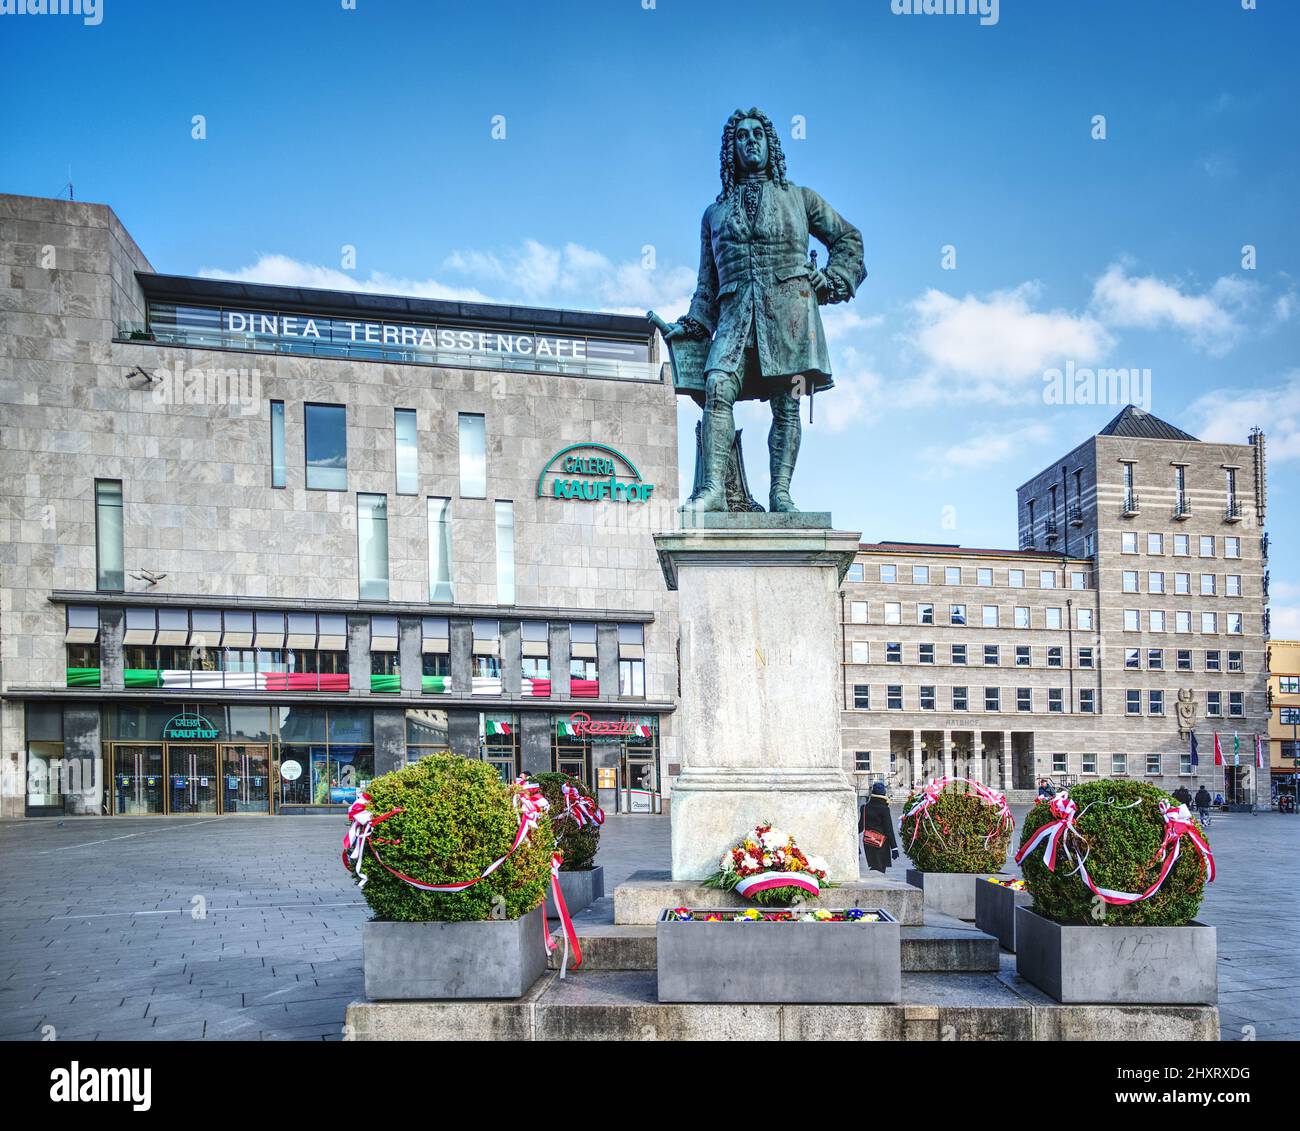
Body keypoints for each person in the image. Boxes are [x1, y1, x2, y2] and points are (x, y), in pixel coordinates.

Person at [663, 107, 865, 513]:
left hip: (790, 316)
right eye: (741, 136)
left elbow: (848, 239)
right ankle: (712, 490)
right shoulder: (714, 214)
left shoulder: (800, 198)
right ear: (730, 149)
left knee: (786, 402)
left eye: (757, 134)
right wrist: (689, 326)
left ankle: (780, 493)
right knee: (719, 387)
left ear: (771, 144)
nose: (750, 140)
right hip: (737, 317)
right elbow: (707, 285)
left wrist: (832, 278)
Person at [858, 781, 898, 875]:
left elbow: (860, 827)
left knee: (872, 868)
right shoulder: (884, 809)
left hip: (868, 842)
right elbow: (889, 830)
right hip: (881, 843)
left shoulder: (864, 807)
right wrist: (894, 848)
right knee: (880, 870)